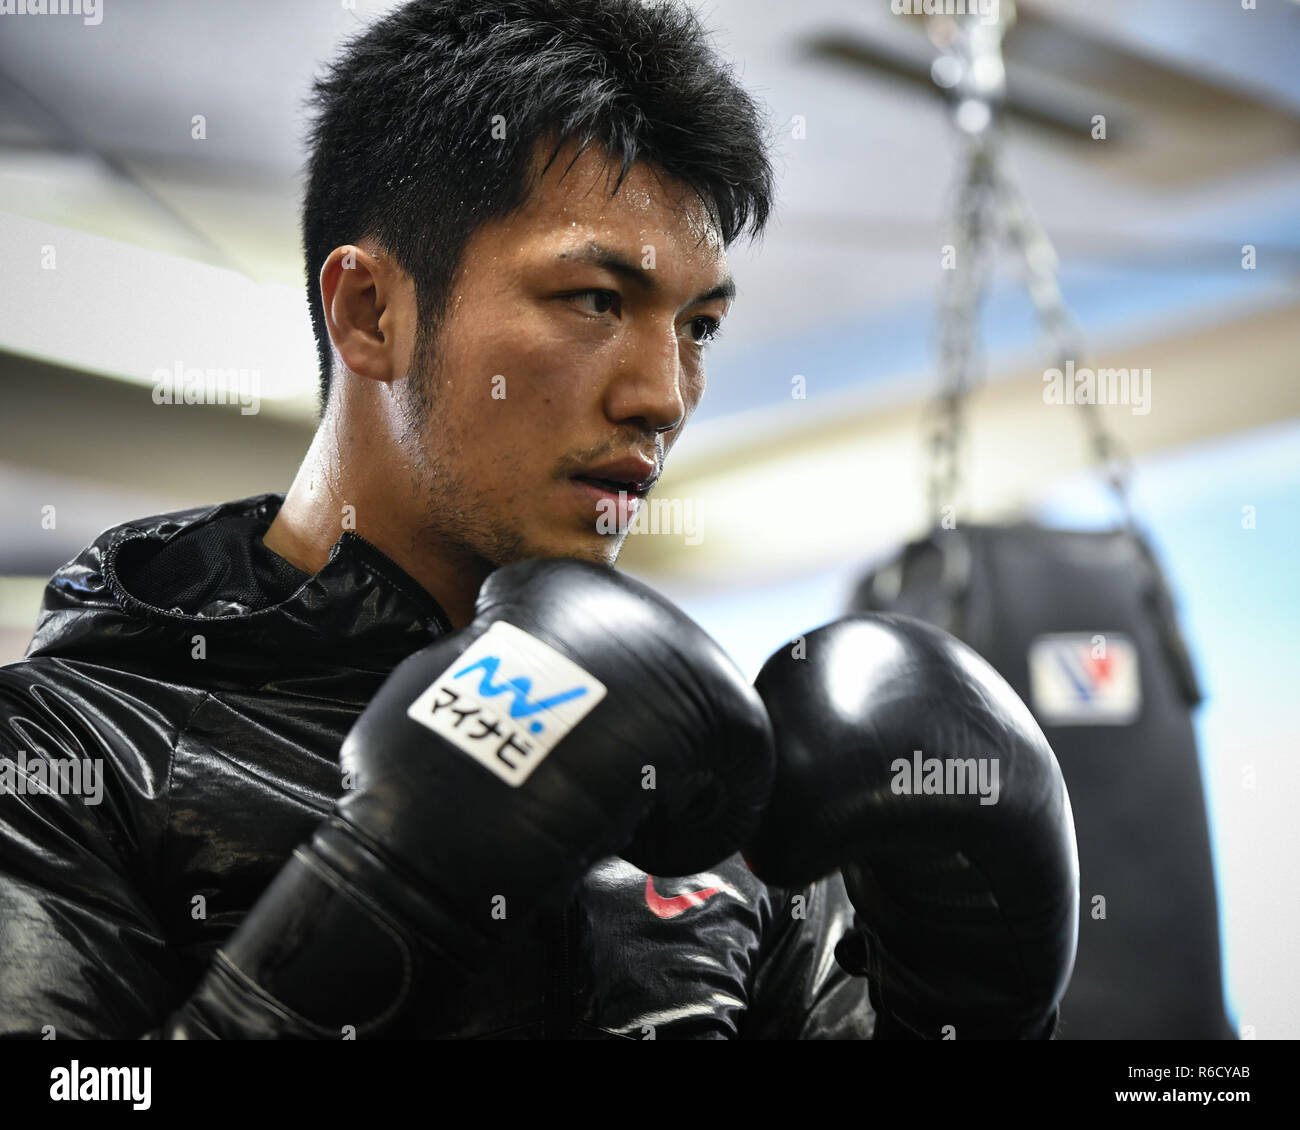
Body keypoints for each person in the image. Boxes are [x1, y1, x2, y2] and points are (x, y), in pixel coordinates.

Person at [0, 0, 1076, 1040]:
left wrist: (973, 1010)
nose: (663, 393)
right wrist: (375, 894)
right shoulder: (70, 755)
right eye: (596, 300)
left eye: (697, 324)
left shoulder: (702, 796)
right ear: (369, 311)